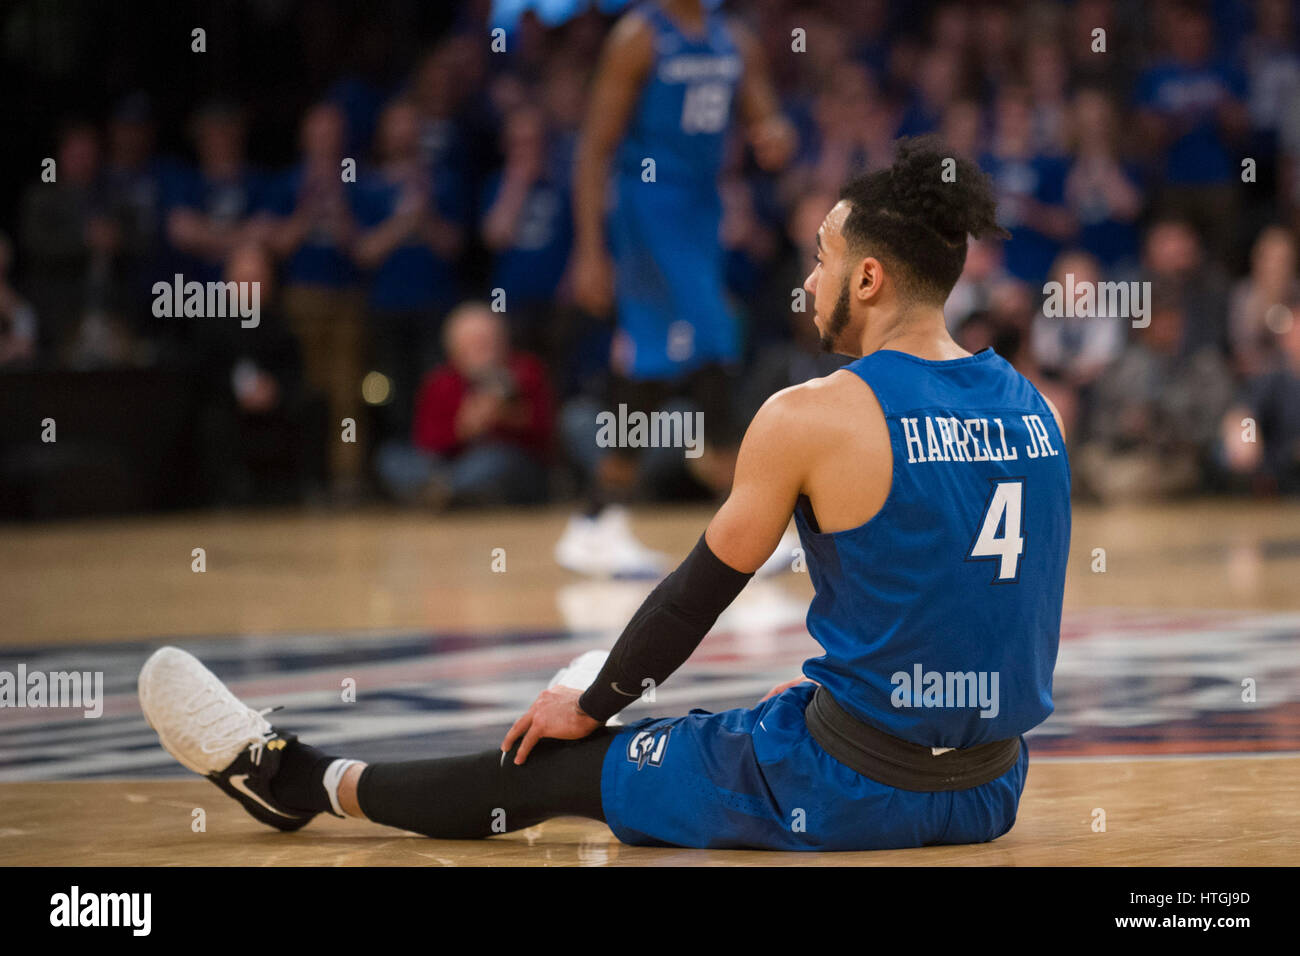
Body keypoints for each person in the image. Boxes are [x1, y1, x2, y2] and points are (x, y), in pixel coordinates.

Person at [138, 139, 1071, 852]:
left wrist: (596, 703)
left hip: (852, 789)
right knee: (779, 703)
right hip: (988, 792)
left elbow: (699, 592)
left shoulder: (814, 414)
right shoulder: (1033, 408)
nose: (809, 278)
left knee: (555, 764)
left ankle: (298, 779)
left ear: (868, 277)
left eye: (823, 259)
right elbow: (995, 612)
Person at [556, 0, 795, 577]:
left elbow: (766, 118)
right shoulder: (639, 36)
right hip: (647, 206)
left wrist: (773, 134)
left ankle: (598, 519)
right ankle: (743, 519)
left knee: (657, 358)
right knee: (712, 336)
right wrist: (589, 250)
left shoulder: (733, 40)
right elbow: (593, 148)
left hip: (700, 208)